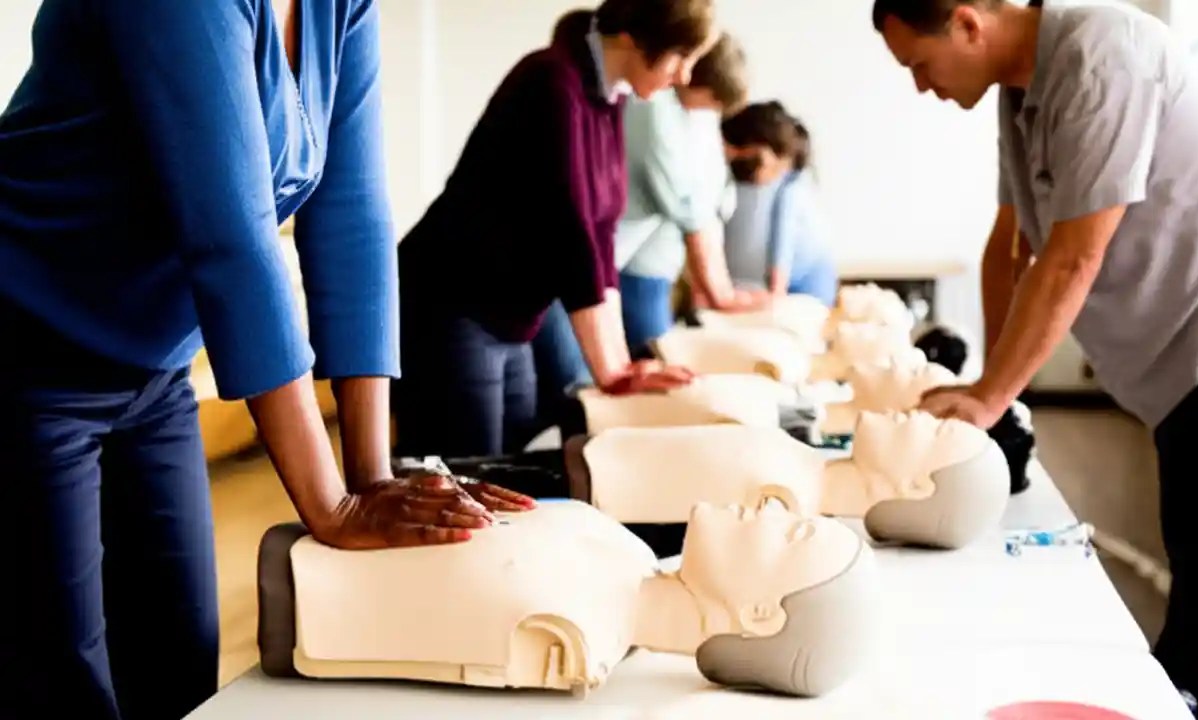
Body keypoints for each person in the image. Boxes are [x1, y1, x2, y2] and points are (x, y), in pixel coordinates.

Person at [0, 1, 534, 718]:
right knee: (63, 687)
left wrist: (370, 476)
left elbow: (351, 213)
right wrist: (331, 505)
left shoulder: (341, 7)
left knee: (179, 668)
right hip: (28, 351)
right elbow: (232, 234)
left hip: (152, 375)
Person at [872, 0, 1198, 716]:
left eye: (919, 65)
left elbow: (1072, 257)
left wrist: (993, 400)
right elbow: (1010, 248)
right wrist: (990, 384)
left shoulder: (1104, 55)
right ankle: (1168, 693)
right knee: (1196, 548)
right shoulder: (1020, 92)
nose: (920, 87)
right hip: (1177, 349)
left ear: (968, 23)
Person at [395, 1, 714, 459]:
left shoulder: (609, 96)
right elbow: (571, 232)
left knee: (512, 462)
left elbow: (602, 232)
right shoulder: (550, 79)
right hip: (453, 303)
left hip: (512, 317)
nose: (684, 75)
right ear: (632, 37)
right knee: (466, 474)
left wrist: (621, 365)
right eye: (681, 56)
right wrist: (612, 373)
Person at [531, 31, 755, 419]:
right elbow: (684, 204)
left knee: (595, 388)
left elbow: (702, 203)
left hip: (600, 274)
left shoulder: (680, 115)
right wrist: (720, 294)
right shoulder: (650, 104)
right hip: (573, 280)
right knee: (577, 394)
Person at [720, 101, 837, 306]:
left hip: (806, 277)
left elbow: (784, 231)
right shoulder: (735, 169)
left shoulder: (793, 183)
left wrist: (776, 288)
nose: (761, 177)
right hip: (762, 283)